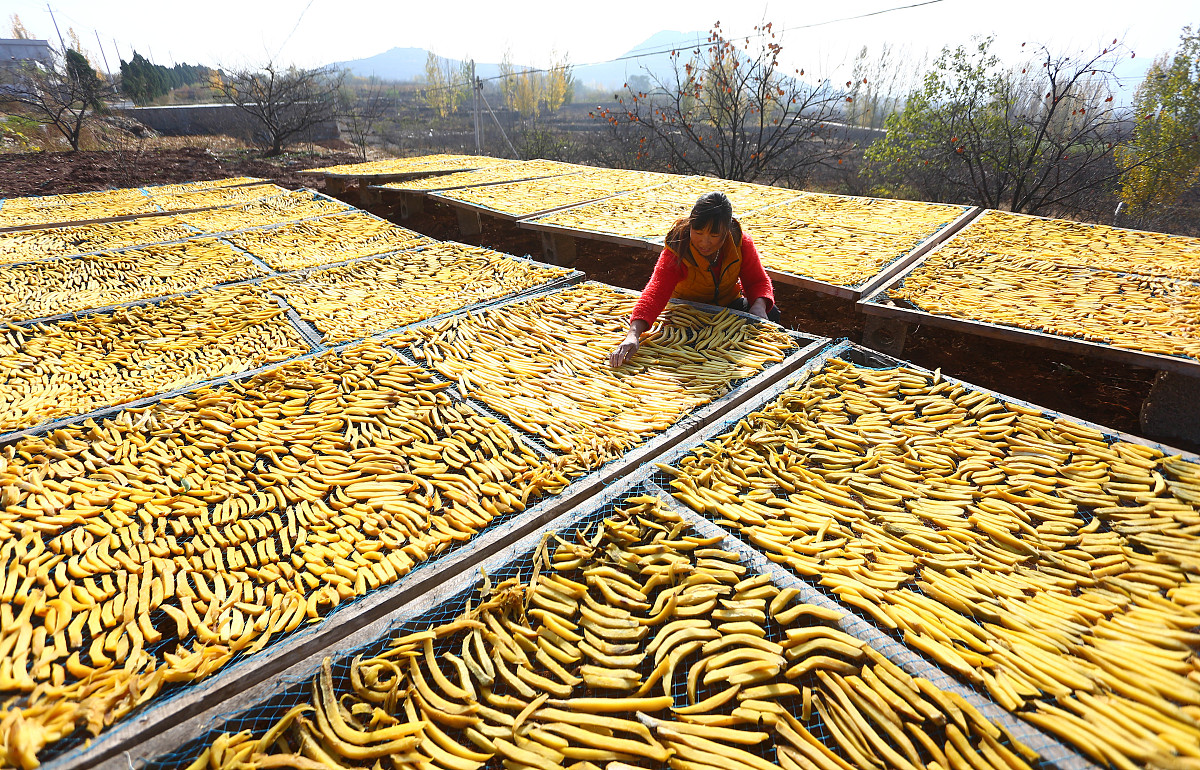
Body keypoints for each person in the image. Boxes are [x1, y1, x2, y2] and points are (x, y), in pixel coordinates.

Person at [609, 191, 780, 368]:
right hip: (689, 313)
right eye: (698, 232)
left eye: (714, 236)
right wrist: (633, 334)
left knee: (771, 312)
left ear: (726, 231)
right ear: (690, 226)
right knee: (695, 348)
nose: (704, 243)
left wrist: (759, 306)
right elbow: (655, 292)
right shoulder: (678, 247)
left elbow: (757, 281)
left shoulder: (740, 243)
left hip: (727, 307)